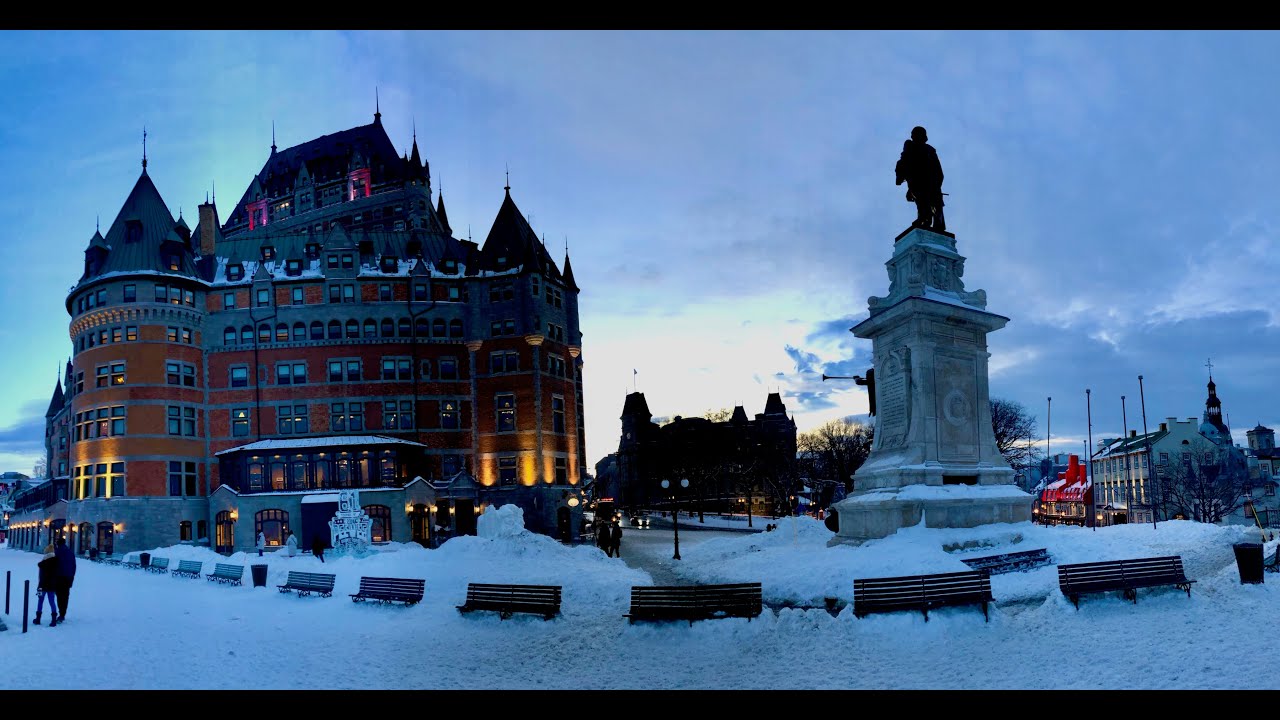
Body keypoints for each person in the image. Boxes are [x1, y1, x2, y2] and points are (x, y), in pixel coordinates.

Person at [894, 126, 945, 232]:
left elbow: (939, 172)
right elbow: (904, 164)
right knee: (922, 203)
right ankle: (924, 218)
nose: (913, 137)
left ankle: (931, 221)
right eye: (913, 135)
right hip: (918, 184)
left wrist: (936, 186)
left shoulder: (929, 150)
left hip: (930, 183)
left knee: (934, 206)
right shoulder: (910, 150)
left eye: (915, 134)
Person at [34, 544, 59, 627]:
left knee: (40, 601)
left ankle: (38, 619)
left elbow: (41, 576)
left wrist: (39, 587)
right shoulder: (57, 562)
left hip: (43, 585)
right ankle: (54, 620)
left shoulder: (43, 563)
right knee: (52, 602)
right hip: (52, 585)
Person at [54, 536, 76, 623]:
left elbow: (54, 566)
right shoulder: (70, 552)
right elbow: (74, 566)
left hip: (59, 577)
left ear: (58, 544)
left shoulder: (57, 552)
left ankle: (61, 613)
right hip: (68, 577)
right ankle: (63, 613)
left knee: (59, 596)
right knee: (65, 596)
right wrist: (72, 577)